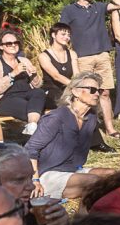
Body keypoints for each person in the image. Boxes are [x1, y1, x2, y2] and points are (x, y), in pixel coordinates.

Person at [25, 72, 115, 200]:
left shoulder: (91, 118)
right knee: (95, 181)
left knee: (113, 175)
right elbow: (30, 149)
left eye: (99, 90)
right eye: (92, 90)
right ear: (76, 92)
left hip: (73, 170)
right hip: (47, 173)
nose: (97, 94)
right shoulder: (57, 117)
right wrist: (35, 180)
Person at [60, 0, 120, 136]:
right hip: (83, 57)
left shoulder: (98, 6)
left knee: (104, 93)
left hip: (102, 55)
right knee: (84, 93)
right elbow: (61, 31)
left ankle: (110, 128)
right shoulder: (69, 10)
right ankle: (81, 128)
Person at [0, 26, 47, 135]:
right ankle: (36, 134)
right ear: (1, 46)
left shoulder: (24, 60)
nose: (13, 45)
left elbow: (37, 85)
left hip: (26, 94)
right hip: (4, 99)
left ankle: (32, 125)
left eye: (15, 42)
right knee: (35, 110)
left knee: (39, 93)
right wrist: (13, 74)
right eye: (9, 43)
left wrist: (34, 75)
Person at [37, 21, 78, 110]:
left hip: (67, 87)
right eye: (63, 34)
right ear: (53, 35)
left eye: (68, 35)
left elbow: (76, 74)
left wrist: (81, 86)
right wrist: (75, 86)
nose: (66, 37)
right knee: (65, 102)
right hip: (50, 90)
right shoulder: (43, 56)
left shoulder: (72, 53)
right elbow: (56, 76)